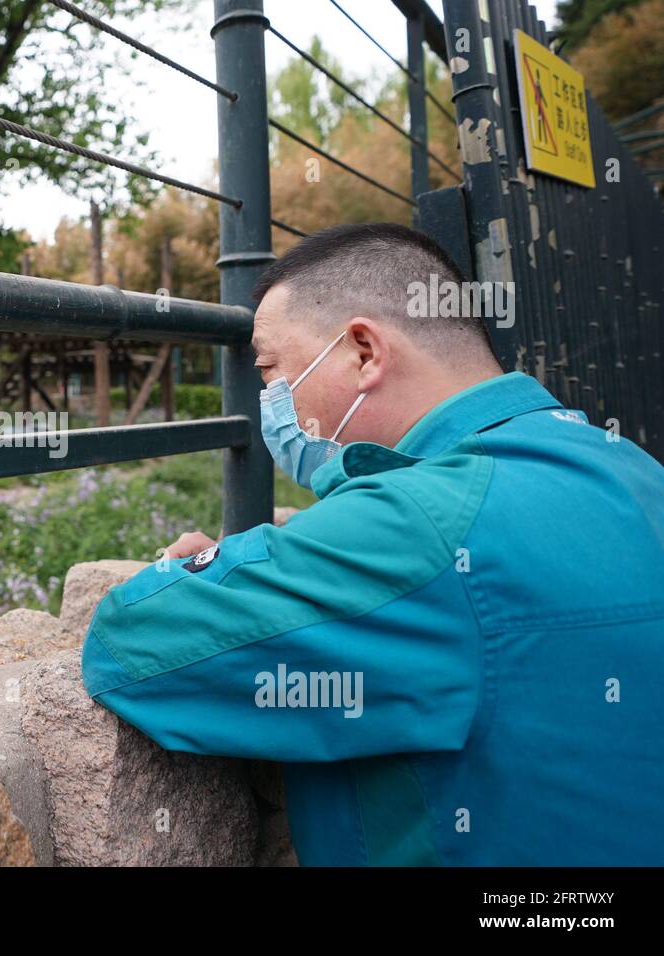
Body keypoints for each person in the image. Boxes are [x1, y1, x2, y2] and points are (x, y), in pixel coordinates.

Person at [79, 223, 664, 866]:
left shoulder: (418, 523)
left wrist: (206, 566)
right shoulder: (633, 468)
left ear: (363, 352)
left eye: (272, 372)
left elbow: (130, 644)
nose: (271, 402)